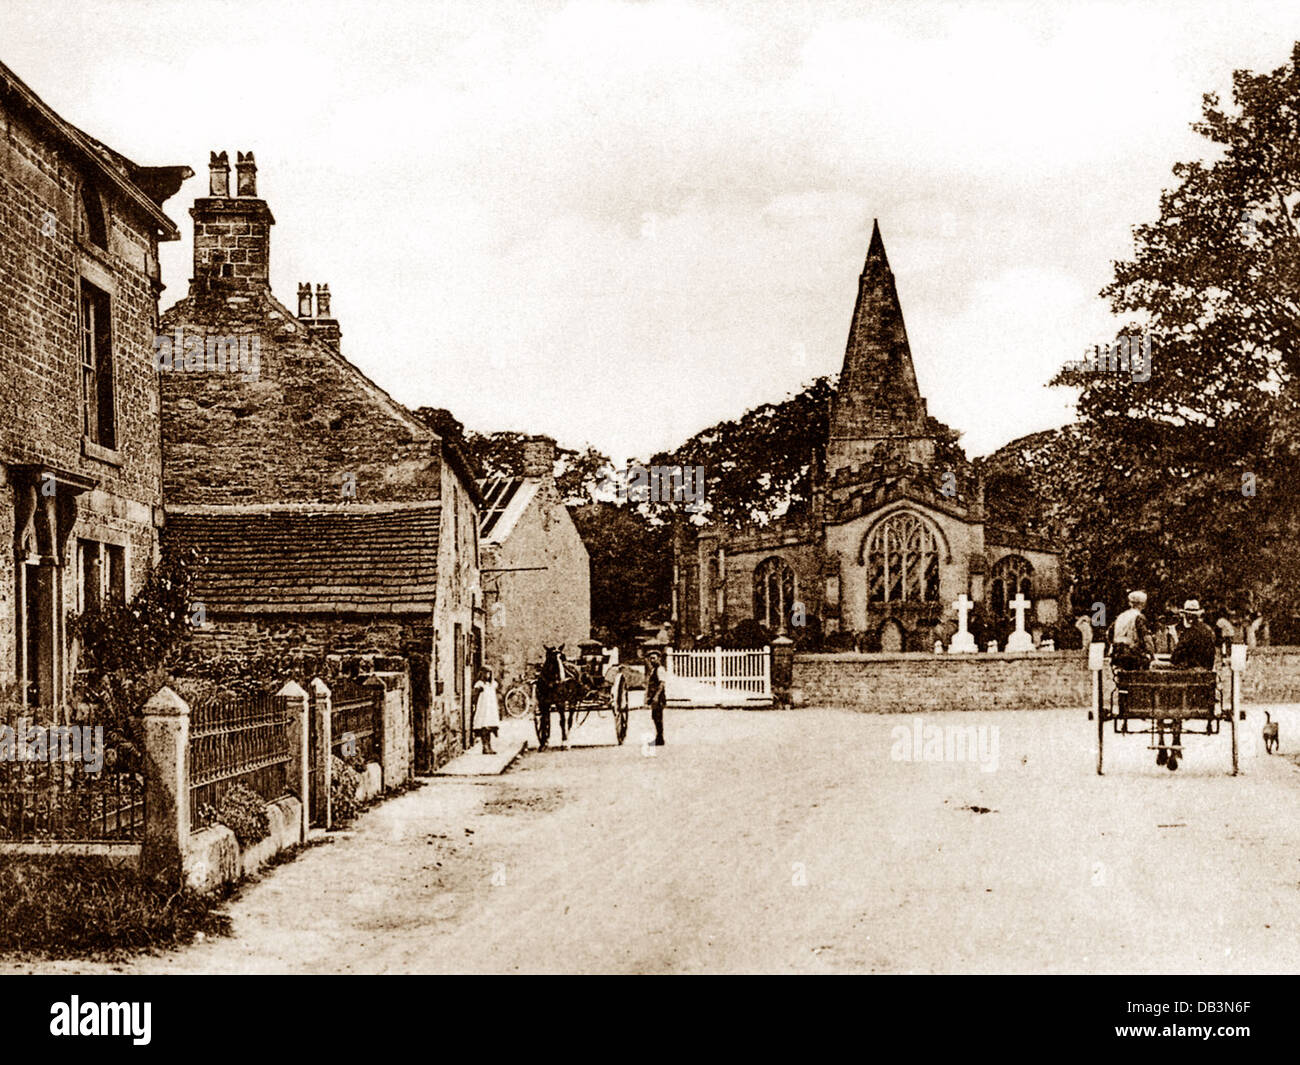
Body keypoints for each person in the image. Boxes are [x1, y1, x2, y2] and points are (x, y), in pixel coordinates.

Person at [1107, 590, 1154, 671]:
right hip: (1132, 656)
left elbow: (1109, 633)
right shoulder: (1139, 617)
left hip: (1117, 654)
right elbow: (1146, 638)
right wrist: (1151, 654)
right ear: (1143, 604)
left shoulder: (1121, 616)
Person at [472, 668, 500, 755]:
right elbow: (475, 696)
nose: (488, 675)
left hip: (491, 708)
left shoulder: (492, 684)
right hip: (483, 708)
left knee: (490, 728)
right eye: (486, 673)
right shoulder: (480, 684)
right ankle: (485, 747)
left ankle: (489, 746)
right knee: (484, 727)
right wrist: (474, 704)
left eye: (489, 673)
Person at [645, 650, 667, 746]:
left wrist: (656, 697)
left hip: (658, 697)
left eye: (654, 658)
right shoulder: (653, 669)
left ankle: (660, 738)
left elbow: (661, 684)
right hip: (653, 697)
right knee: (655, 717)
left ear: (658, 659)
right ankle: (659, 737)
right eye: (650, 659)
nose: (652, 660)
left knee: (658, 718)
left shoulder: (660, 669)